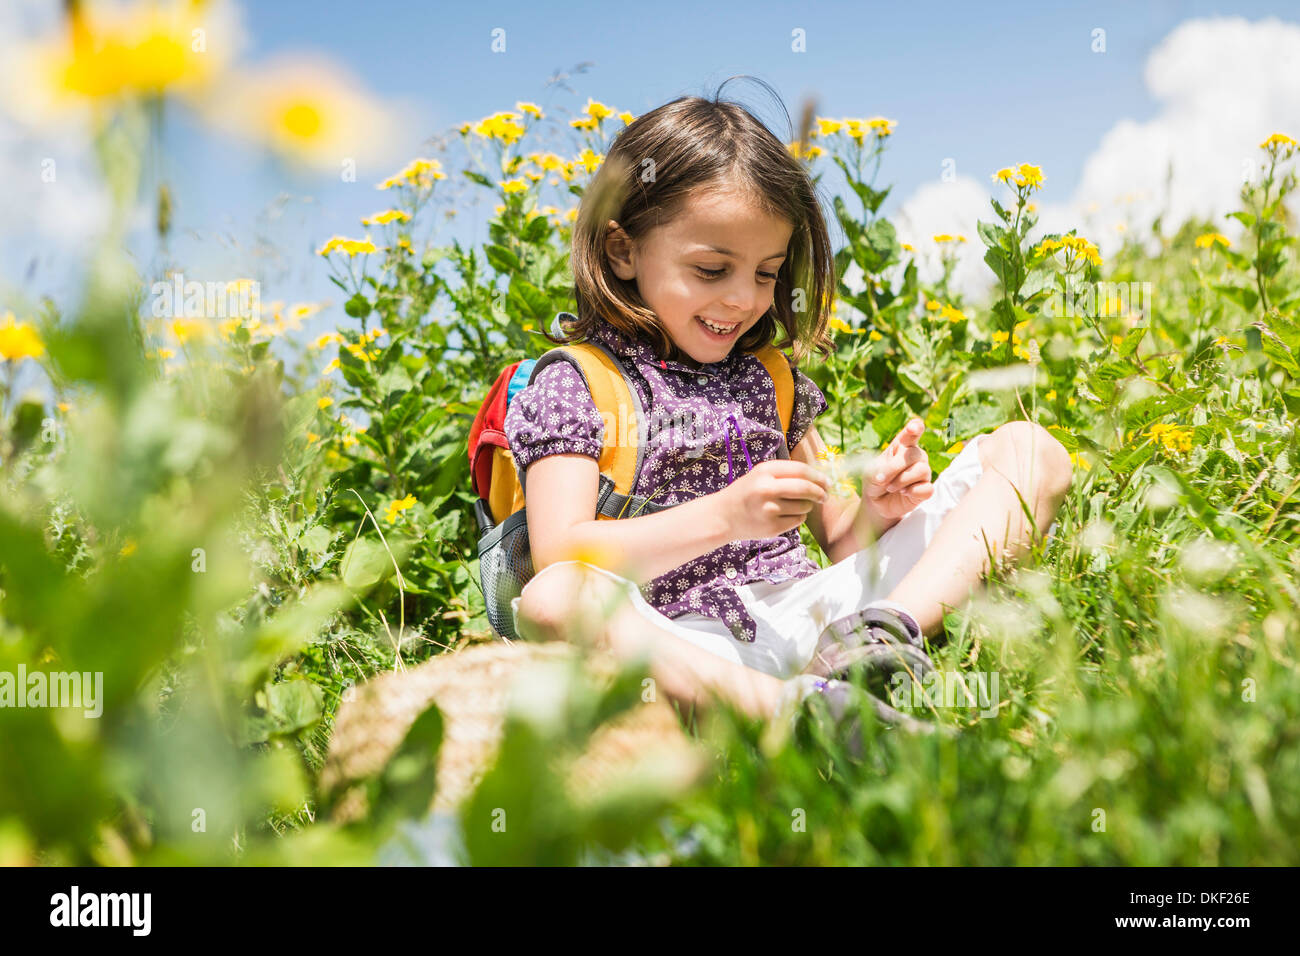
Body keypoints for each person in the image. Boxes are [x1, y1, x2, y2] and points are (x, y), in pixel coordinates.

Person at [504, 89, 1073, 736]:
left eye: (768, 273)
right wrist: (724, 516)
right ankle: (804, 715)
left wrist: (879, 508)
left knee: (1031, 450)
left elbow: (839, 540)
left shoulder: (770, 379)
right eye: (712, 269)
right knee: (555, 599)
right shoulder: (577, 383)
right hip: (687, 645)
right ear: (623, 252)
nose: (744, 298)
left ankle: (881, 638)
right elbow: (560, 550)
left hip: (814, 617)